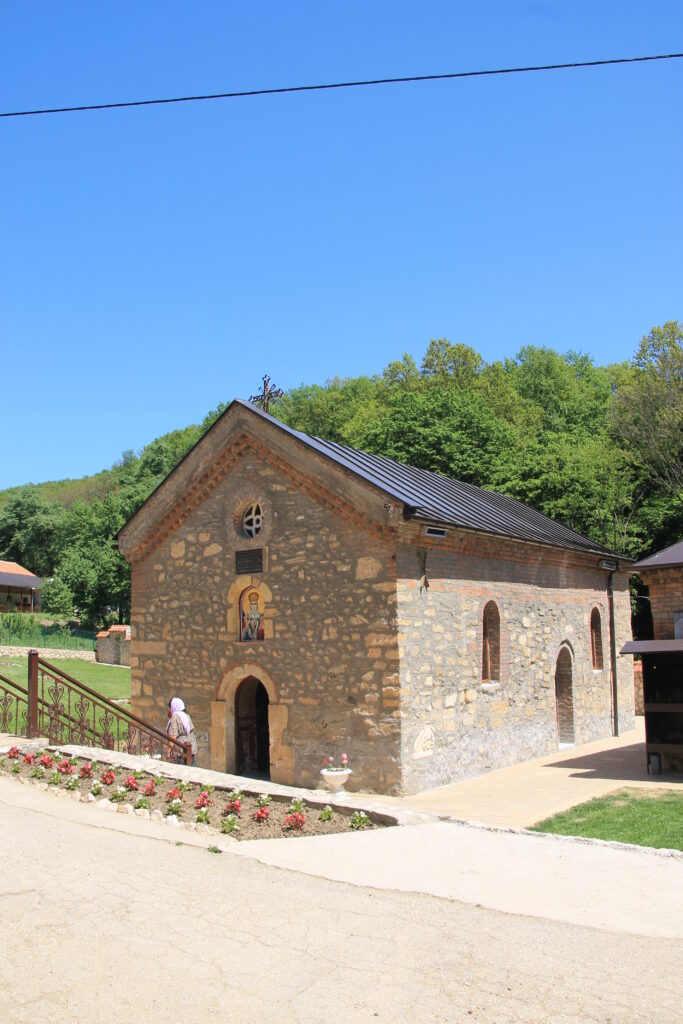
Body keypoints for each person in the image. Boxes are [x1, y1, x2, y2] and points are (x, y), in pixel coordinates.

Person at [166, 697, 197, 765]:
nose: (170, 710)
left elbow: (173, 736)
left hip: (180, 751)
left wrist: (168, 751)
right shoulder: (186, 716)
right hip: (190, 749)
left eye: (170, 708)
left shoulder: (175, 717)